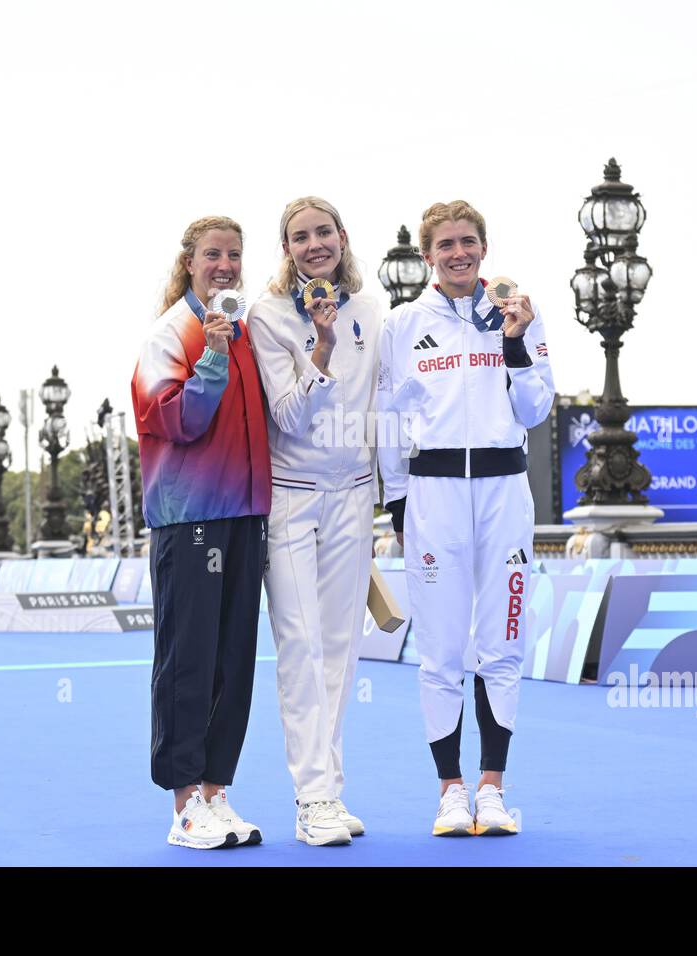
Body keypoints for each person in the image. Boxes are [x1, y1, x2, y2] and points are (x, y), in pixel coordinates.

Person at [376, 200, 555, 837]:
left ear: (484, 247)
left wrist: (513, 342)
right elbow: (389, 423)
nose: (459, 253)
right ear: (428, 255)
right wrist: (397, 503)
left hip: (506, 491)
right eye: (446, 244)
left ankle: (493, 788)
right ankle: (450, 791)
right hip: (433, 496)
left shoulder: (518, 312)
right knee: (440, 649)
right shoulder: (402, 325)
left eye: (469, 242)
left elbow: (535, 409)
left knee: (502, 644)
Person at [247, 197, 384, 846]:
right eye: (299, 238)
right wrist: (322, 348)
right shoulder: (267, 318)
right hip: (293, 498)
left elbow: (389, 409)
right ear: (287, 250)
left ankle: (327, 787)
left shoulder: (373, 313)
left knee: (339, 649)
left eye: (322, 232)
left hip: (354, 497)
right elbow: (289, 418)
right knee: (299, 647)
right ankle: (313, 801)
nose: (313, 245)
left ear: (342, 237)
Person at [131, 216, 271, 850]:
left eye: (234, 255)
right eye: (213, 254)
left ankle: (217, 794)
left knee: (234, 661)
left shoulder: (241, 330)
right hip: (190, 520)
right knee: (190, 662)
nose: (225, 265)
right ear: (189, 262)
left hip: (244, 515)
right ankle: (185, 804)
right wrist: (212, 357)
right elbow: (176, 421)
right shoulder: (173, 333)